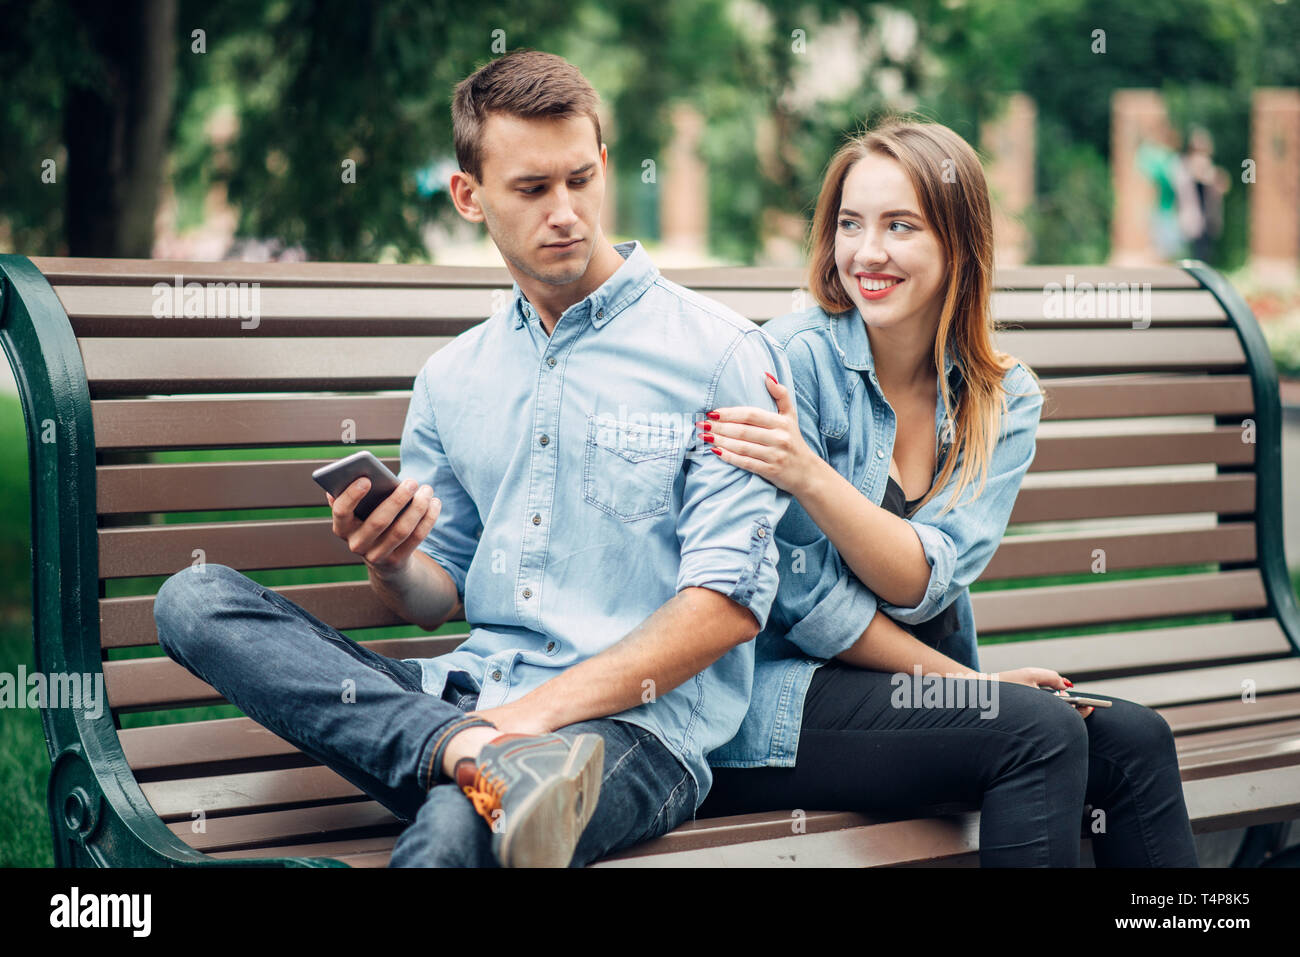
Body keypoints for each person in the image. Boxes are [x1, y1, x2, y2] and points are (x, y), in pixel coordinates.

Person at [153, 49, 792, 868]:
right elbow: (434, 597)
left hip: (635, 734)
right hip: (465, 698)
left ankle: (466, 759)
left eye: (580, 179)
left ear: (603, 166)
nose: (565, 211)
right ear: (469, 196)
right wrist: (392, 562)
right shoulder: (453, 376)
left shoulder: (718, 354)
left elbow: (727, 605)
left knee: (463, 827)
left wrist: (527, 723)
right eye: (532, 189)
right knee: (193, 599)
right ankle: (459, 752)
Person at [697, 117, 1199, 867]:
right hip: (773, 704)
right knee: (1036, 730)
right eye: (850, 225)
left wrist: (809, 472)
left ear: (959, 244)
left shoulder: (1002, 397)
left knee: (1134, 738)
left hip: (905, 694)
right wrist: (974, 686)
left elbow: (922, 581)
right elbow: (806, 609)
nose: (868, 253)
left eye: (901, 226)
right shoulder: (786, 364)